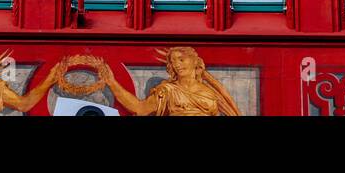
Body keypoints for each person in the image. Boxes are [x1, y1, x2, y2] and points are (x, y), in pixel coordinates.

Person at [92, 47, 240, 116]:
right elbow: (139, 108)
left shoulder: (210, 93)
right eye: (174, 61)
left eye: (182, 60)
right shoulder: (167, 91)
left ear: (195, 62)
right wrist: (112, 83)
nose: (177, 65)